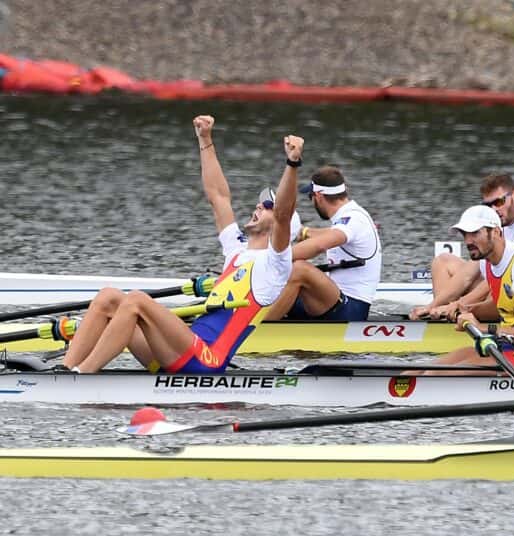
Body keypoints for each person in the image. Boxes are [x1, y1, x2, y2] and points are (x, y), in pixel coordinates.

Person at [62, 116, 300, 373]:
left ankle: (82, 375)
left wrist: (292, 164)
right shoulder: (237, 249)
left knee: (137, 300)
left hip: (207, 359)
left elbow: (283, 214)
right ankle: (64, 371)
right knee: (108, 297)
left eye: (267, 206)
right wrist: (205, 140)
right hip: (181, 350)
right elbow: (218, 196)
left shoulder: (274, 265)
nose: (259, 206)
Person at [409, 173, 514, 320]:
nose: (494, 209)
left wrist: (458, 304)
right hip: (511, 289)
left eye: (499, 202)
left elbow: (506, 275)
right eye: (488, 205)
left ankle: (455, 315)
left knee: (493, 288)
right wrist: (432, 306)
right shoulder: (495, 224)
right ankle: (442, 316)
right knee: (443, 262)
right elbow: (468, 275)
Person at [434, 205, 514, 375]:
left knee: (443, 374)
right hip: (507, 348)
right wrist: (464, 309)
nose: (468, 241)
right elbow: (502, 307)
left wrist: (482, 328)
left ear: (495, 232)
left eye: (475, 233)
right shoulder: (487, 263)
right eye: (465, 234)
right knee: (427, 370)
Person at [265, 165, 381, 321]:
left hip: (352, 308)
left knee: (299, 269)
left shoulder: (354, 218)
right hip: (335, 301)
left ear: (318, 196)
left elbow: (319, 245)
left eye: (310, 197)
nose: (312, 201)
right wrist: (304, 232)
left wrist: (269, 258)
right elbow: (330, 234)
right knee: (278, 283)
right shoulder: (349, 217)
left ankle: (257, 327)